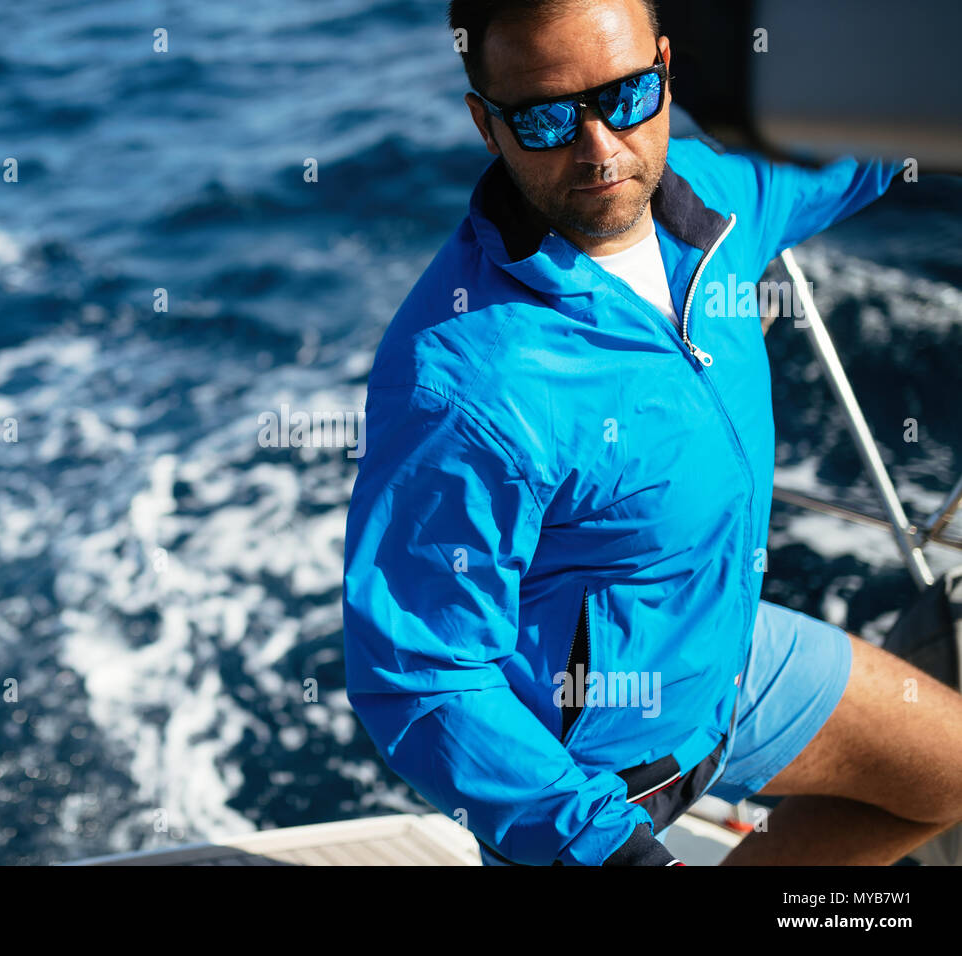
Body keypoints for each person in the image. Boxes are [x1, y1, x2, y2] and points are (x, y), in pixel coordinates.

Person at [341, 0, 962, 865]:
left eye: (627, 95)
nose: (600, 148)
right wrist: (609, 851)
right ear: (486, 123)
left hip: (732, 666)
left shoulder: (716, 200)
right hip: (582, 779)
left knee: (947, 775)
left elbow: (856, 156)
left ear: (666, 69)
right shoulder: (461, 384)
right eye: (547, 116)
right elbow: (421, 676)